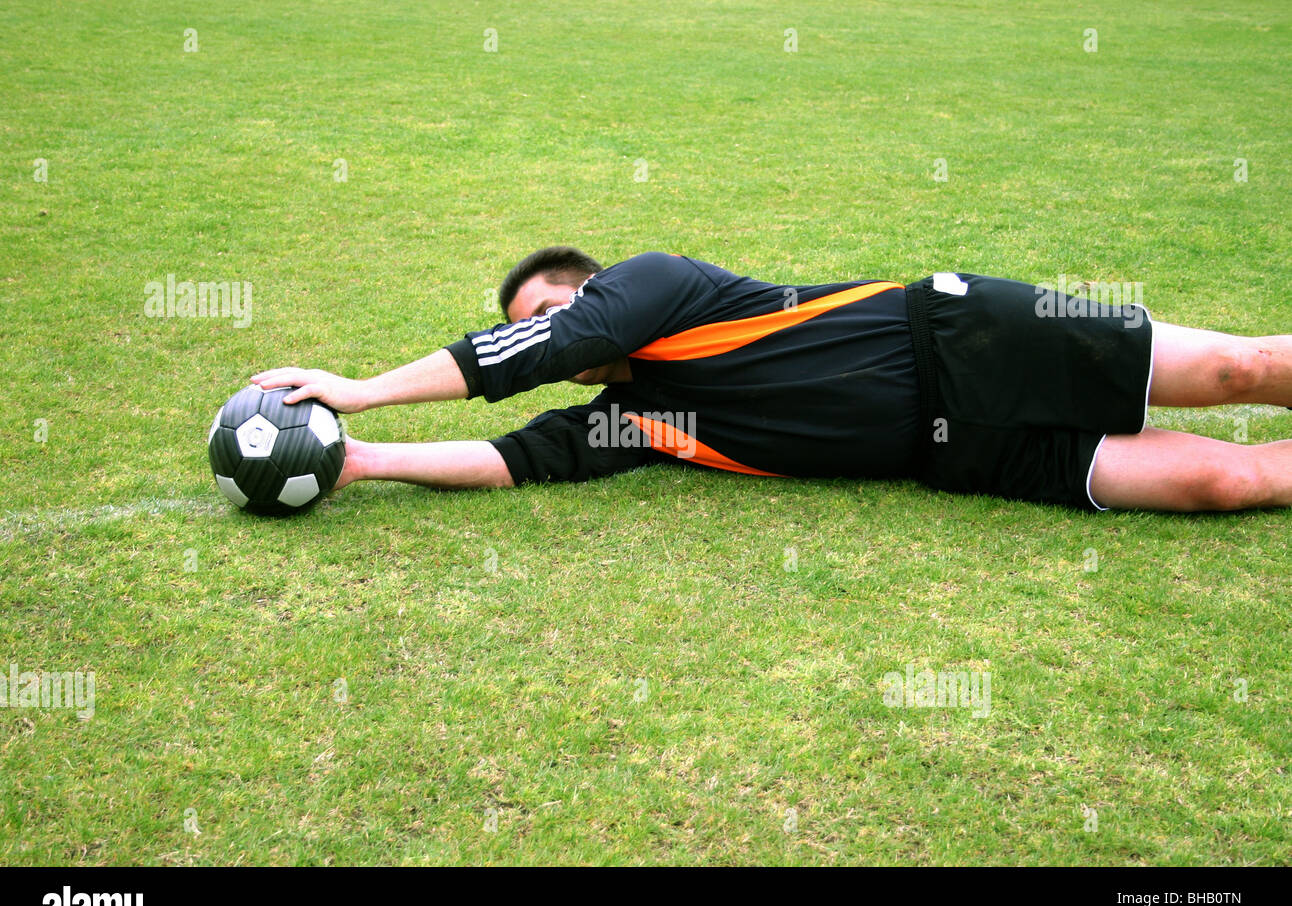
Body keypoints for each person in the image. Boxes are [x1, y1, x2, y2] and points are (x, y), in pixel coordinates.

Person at [252, 247, 1292, 512]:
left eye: (548, 314)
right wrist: (361, 457)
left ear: (593, 291)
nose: (547, 339)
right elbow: (523, 454)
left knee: (1246, 366)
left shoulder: (661, 287)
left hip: (969, 332)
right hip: (965, 456)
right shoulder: (640, 422)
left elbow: (528, 356)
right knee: (1226, 483)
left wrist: (358, 386)